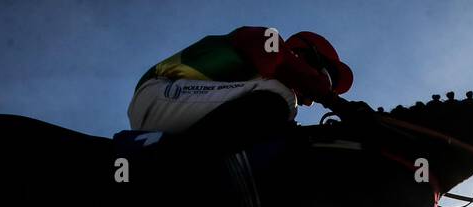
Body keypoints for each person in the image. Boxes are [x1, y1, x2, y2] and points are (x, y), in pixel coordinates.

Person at [127, 26, 355, 152]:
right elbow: (272, 55)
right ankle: (175, 161)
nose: (310, 101)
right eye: (326, 75)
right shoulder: (267, 39)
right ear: (304, 54)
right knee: (282, 97)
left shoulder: (256, 83)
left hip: (175, 110)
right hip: (157, 94)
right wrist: (325, 93)